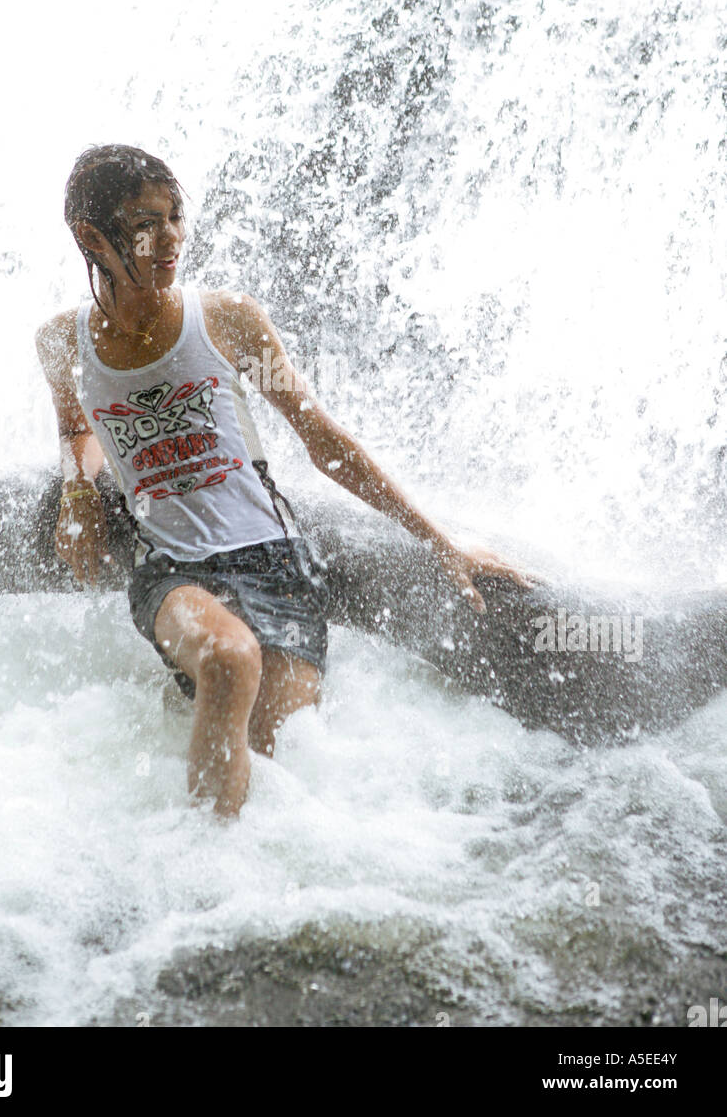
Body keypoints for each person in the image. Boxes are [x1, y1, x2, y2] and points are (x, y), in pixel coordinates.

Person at [36, 144, 532, 816]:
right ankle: (197, 877)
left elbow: (322, 442)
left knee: (279, 780)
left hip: (278, 568)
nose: (173, 237)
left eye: (178, 216)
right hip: (172, 567)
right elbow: (77, 430)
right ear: (92, 236)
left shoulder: (226, 322)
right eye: (149, 222)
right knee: (229, 661)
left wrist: (441, 542)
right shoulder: (65, 343)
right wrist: (76, 495)